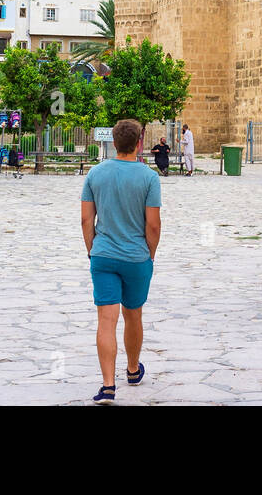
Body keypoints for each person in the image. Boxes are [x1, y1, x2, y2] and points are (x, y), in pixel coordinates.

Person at [80, 118, 161, 405]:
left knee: (106, 320)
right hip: (136, 257)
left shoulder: (95, 174)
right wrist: (150, 254)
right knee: (133, 314)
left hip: (103, 254)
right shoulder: (149, 178)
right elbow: (152, 225)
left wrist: (93, 249)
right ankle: (132, 369)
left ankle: (107, 385)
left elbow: (86, 219)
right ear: (139, 143)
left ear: (114, 143)